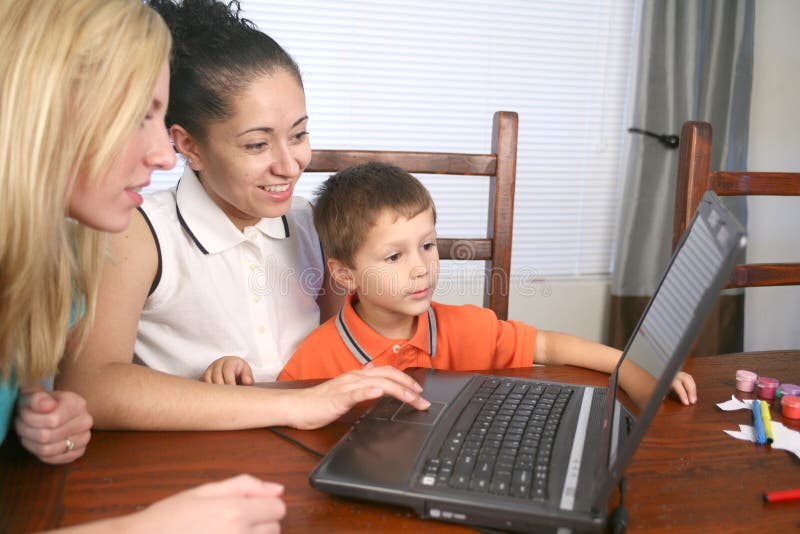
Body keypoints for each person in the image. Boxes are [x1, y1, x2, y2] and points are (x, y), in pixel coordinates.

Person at [55, 0, 429, 431]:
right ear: (190, 147)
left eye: (299, 134)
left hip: (314, 445)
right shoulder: (138, 232)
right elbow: (92, 386)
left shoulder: (314, 223)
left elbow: (345, 337)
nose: (289, 165)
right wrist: (292, 406)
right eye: (257, 145)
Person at [0, 0, 289, 531]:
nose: (163, 154)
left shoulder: (49, 269)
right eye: (139, 116)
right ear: (38, 107)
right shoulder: (137, 233)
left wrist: (32, 413)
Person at [277, 162, 698, 409]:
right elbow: (278, 420)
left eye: (427, 245)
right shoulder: (315, 358)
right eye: (394, 256)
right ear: (345, 274)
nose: (422, 267)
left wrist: (630, 369)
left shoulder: (467, 327)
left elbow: (548, 347)